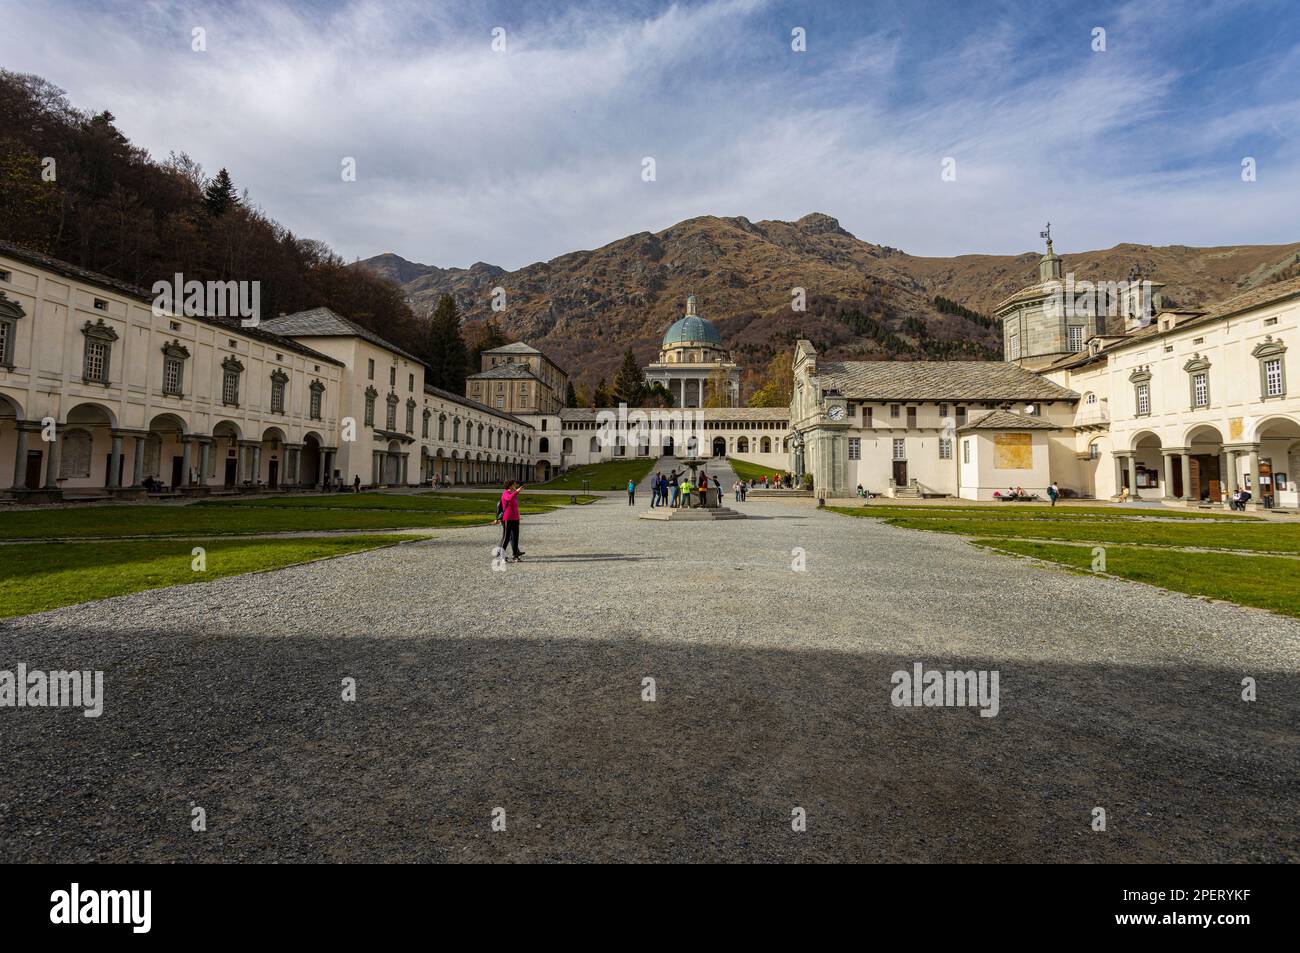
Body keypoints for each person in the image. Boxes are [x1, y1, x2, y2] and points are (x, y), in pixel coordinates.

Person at [497, 480, 525, 562]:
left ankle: (515, 556)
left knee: (515, 537)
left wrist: (518, 517)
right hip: (507, 518)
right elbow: (509, 498)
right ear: (510, 486)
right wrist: (517, 491)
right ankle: (502, 556)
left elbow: (515, 505)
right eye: (514, 484)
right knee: (506, 537)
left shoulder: (514, 494)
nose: (515, 485)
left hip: (515, 518)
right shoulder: (505, 493)